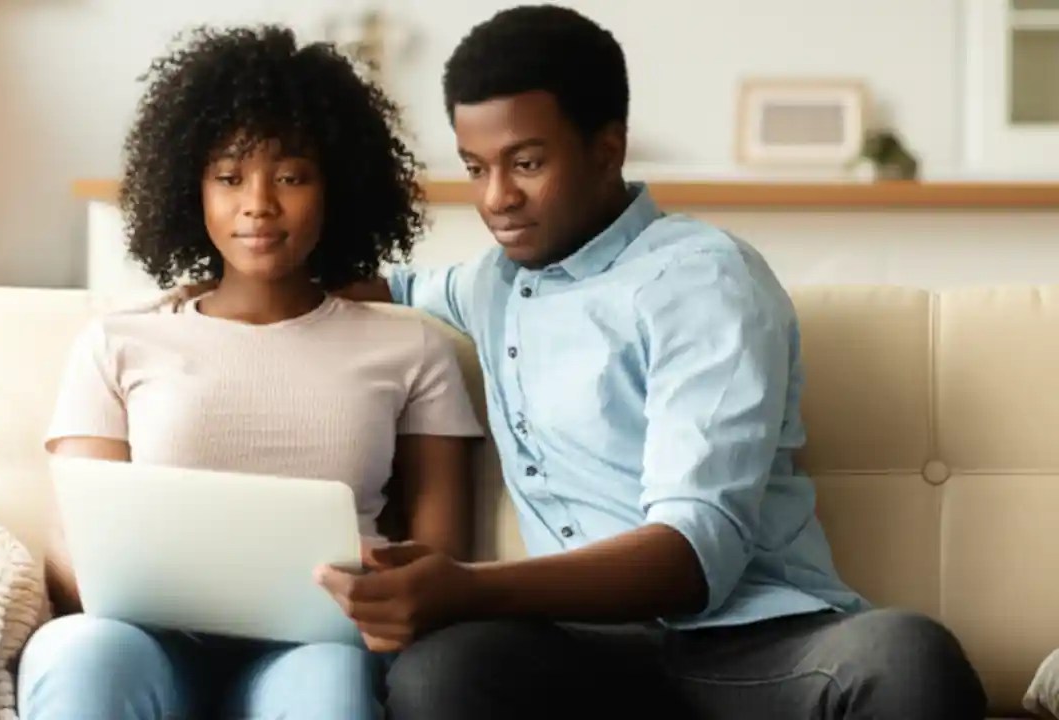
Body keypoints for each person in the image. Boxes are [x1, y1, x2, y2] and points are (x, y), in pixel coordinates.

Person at [311, 6, 989, 719]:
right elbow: (387, 285)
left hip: (759, 647)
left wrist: (470, 586)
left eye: (527, 163)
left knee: (904, 657)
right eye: (476, 168)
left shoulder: (702, 280)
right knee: (441, 673)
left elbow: (691, 558)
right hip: (583, 656)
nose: (497, 199)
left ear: (608, 149)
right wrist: (231, 285)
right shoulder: (494, 282)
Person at [15, 25, 483, 720]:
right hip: (146, 642)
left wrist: (383, 582)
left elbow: (442, 556)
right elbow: (74, 535)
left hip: (317, 643)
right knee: (77, 653)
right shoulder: (117, 343)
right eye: (229, 178)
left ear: (337, 187)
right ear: (191, 189)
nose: (258, 203)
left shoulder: (413, 352)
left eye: (291, 176)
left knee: (325, 691)